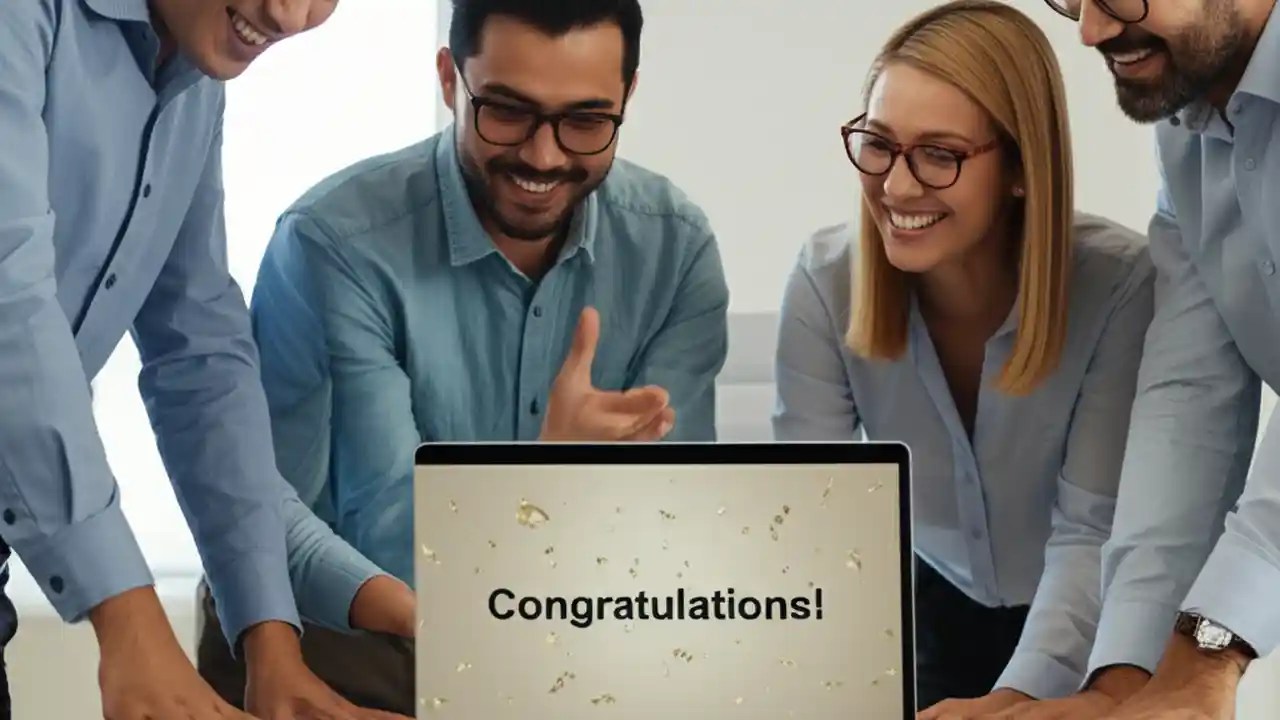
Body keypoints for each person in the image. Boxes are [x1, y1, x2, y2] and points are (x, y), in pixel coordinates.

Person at [193, 0, 730, 712]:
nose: (544, 156)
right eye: (505, 111)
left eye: (585, 120)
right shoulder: (336, 244)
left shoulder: (676, 249)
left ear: (627, 96)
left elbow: (668, 540)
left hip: (571, 644)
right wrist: (552, 478)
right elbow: (365, 530)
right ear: (450, 79)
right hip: (347, 643)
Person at [0, 1, 417, 718]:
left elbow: (200, 349)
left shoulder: (191, 74)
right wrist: (127, 616)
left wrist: (272, 646)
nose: (290, 13)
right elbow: (9, 304)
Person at [770, 1, 1155, 715]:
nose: (897, 185)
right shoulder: (826, 280)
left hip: (1093, 617)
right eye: (878, 143)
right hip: (928, 609)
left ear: (1018, 167)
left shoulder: (1121, 286)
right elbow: (812, 521)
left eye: (940, 154)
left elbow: (1090, 533)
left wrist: (1014, 700)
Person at [997, 1, 1280, 718]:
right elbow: (1190, 398)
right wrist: (1122, 680)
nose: (1090, 30)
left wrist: (1205, 655)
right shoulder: (1189, 131)